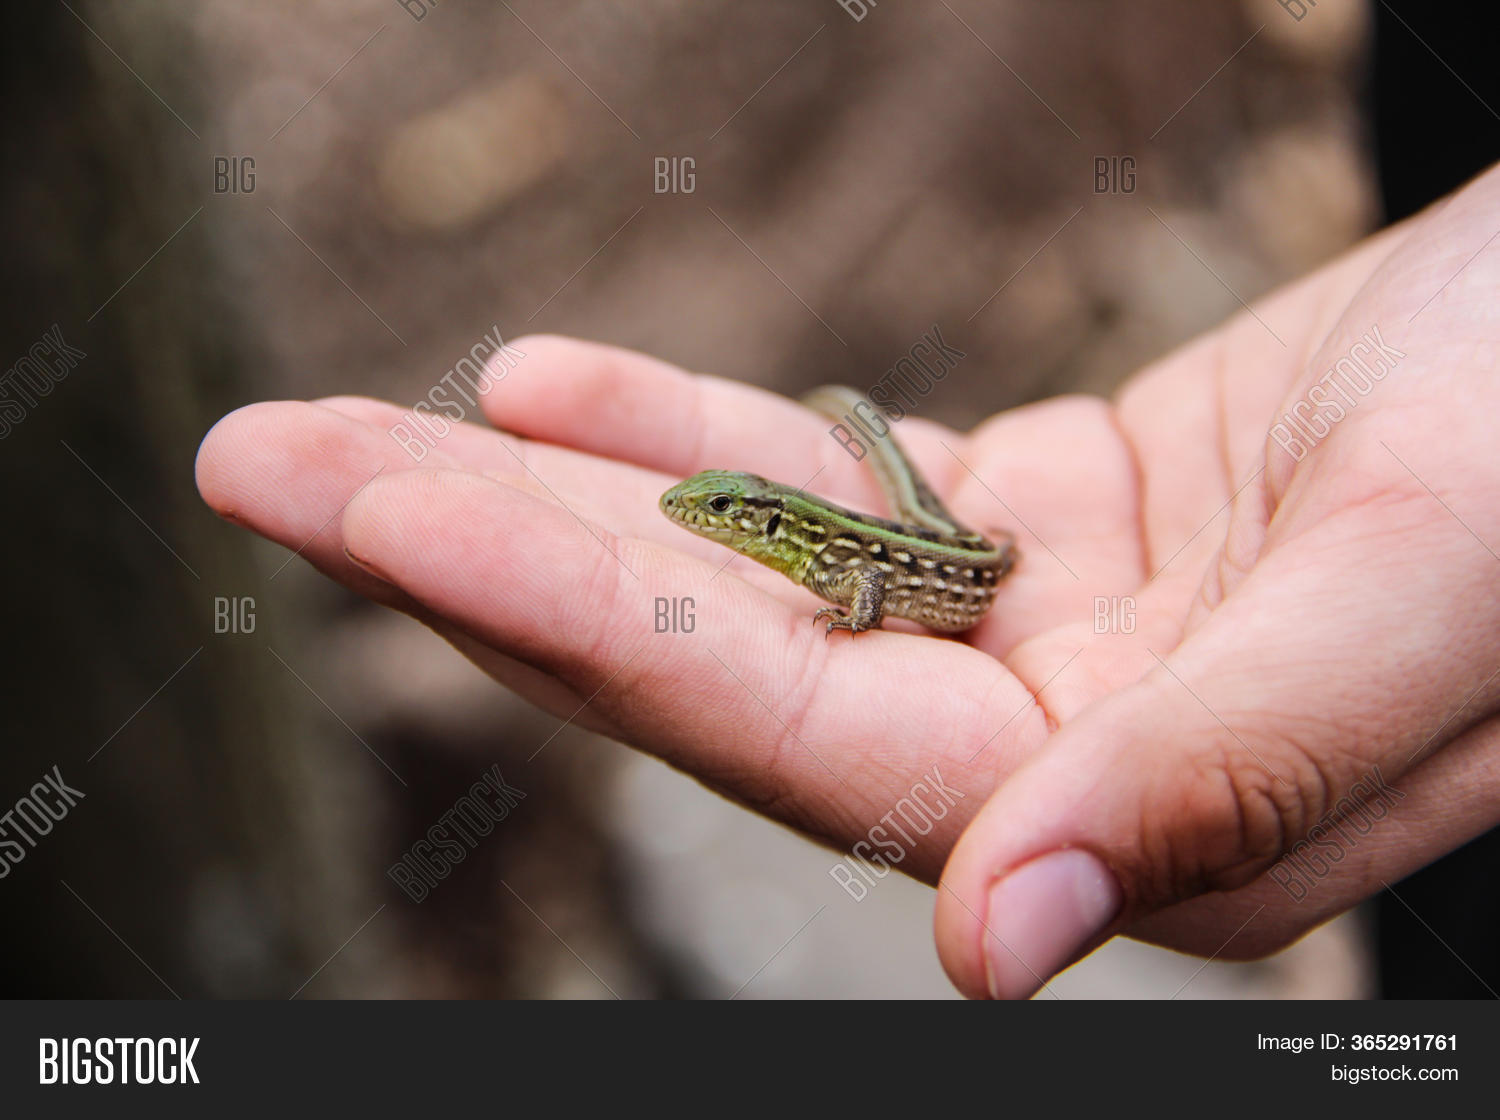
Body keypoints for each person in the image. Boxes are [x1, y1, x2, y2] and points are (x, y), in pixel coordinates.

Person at [196, 163, 1500, 1000]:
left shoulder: (846, 563)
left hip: (963, 571)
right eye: (718, 514)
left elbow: (875, 596)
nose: (701, 518)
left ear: (760, 517)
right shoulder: (807, 537)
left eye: (719, 510)